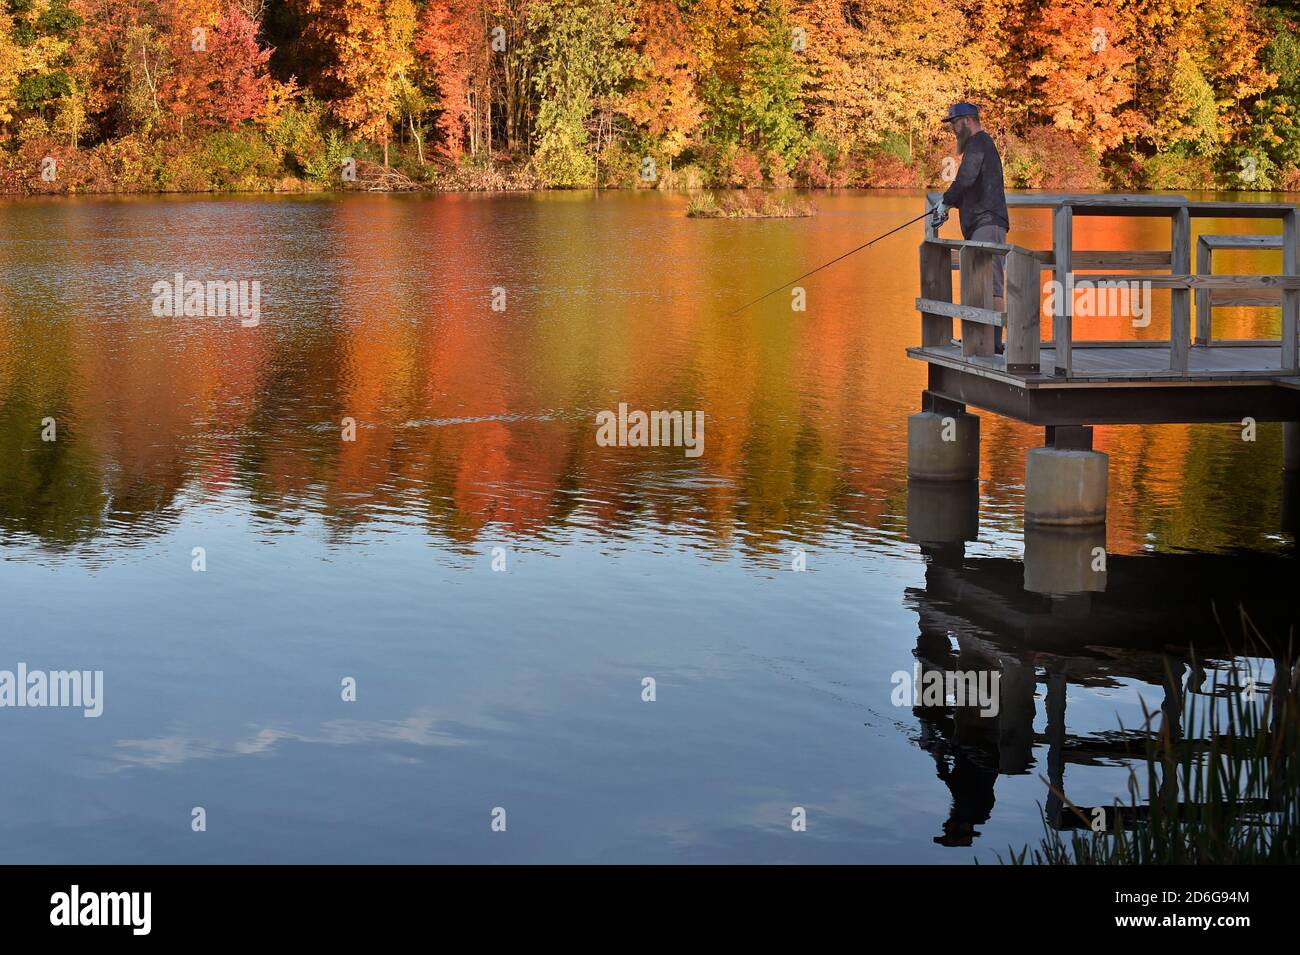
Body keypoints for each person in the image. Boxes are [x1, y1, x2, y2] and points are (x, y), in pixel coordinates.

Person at [931, 103, 1010, 352]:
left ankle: (995, 342)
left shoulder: (978, 143)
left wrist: (945, 201)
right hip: (982, 222)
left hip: (988, 223)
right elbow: (973, 186)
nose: (953, 130)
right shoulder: (981, 145)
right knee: (977, 281)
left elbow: (965, 179)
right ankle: (981, 337)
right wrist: (950, 206)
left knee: (992, 283)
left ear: (966, 121)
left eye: (954, 124)